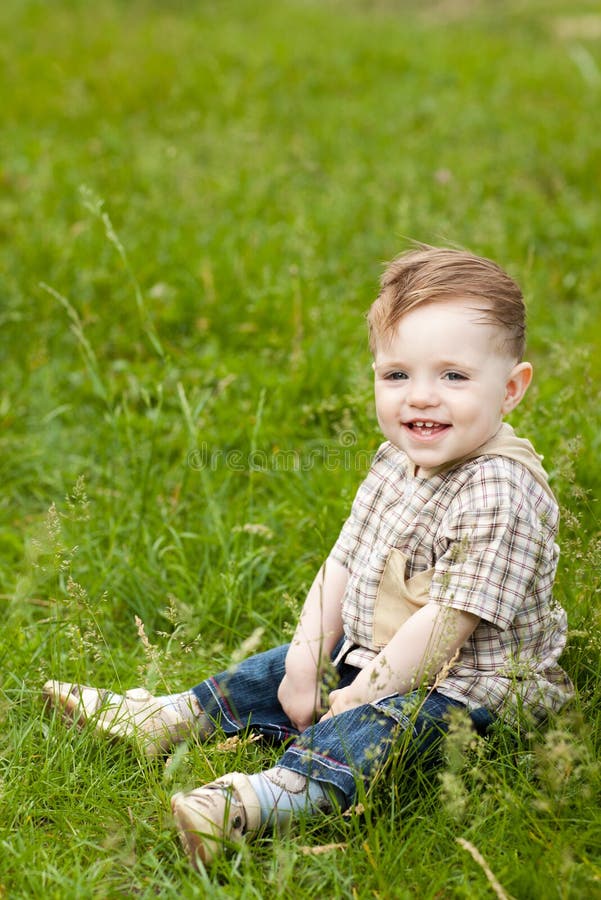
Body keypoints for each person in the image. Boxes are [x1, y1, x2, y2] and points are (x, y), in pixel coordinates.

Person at [43, 245, 573, 870]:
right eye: (397, 375)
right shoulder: (394, 462)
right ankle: (170, 717)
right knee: (270, 672)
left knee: (382, 730)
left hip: (470, 692)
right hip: (379, 652)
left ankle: (264, 798)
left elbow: (448, 624)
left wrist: (366, 692)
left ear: (511, 389)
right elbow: (343, 562)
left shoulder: (502, 491)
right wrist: (304, 656)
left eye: (454, 377)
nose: (421, 398)